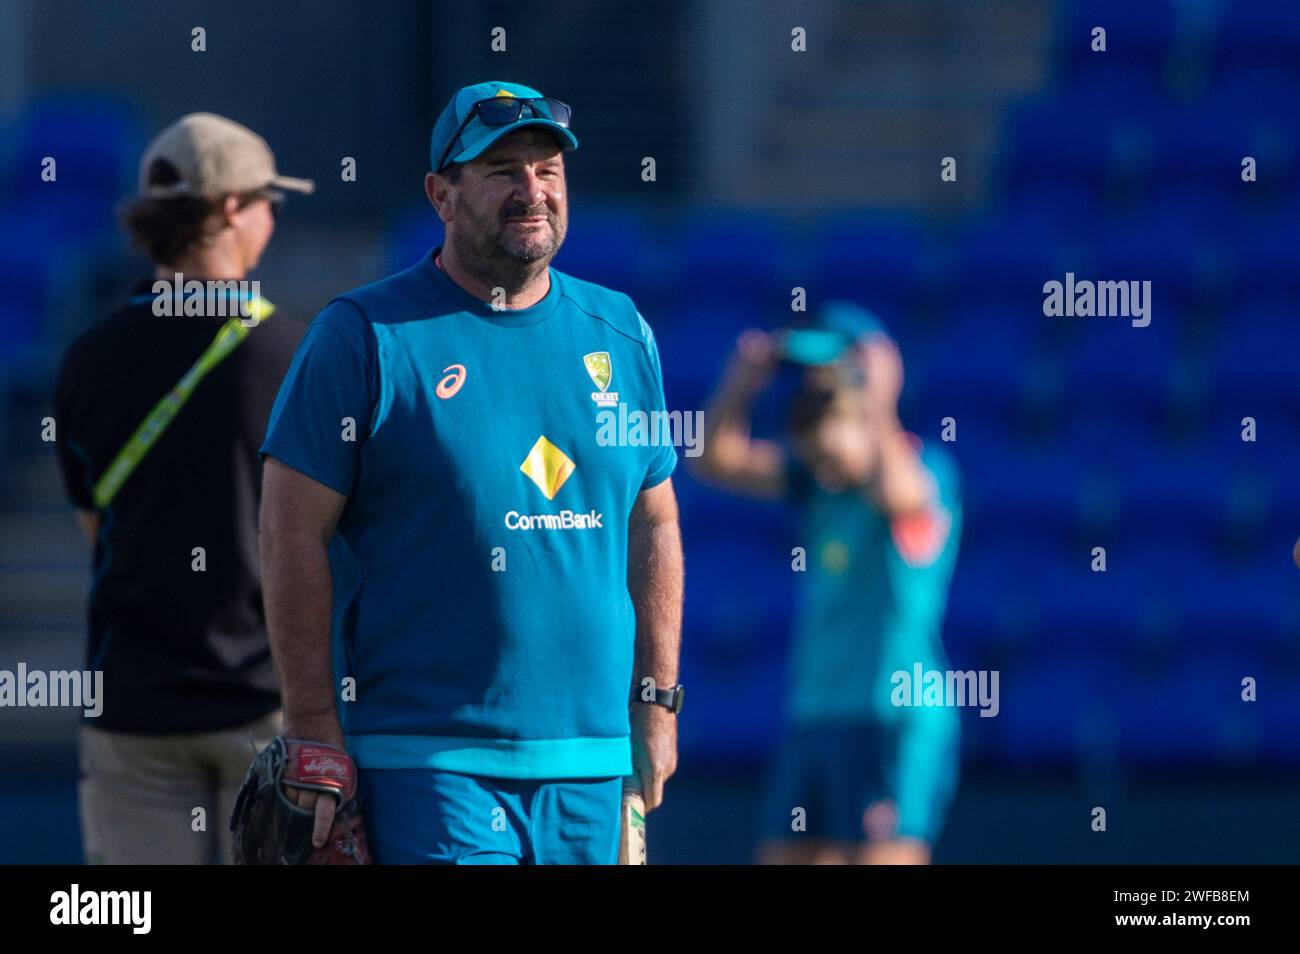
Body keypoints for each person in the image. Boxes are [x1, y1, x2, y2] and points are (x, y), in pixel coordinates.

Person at [257, 81, 684, 864]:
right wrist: (314, 723)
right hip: (428, 761)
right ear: (440, 195)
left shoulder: (621, 331)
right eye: (501, 170)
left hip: (592, 765)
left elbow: (652, 521)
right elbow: (289, 533)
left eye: (548, 170)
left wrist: (656, 703)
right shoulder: (362, 336)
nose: (532, 191)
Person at [53, 112, 314, 863]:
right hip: (269, 706)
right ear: (232, 207)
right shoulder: (296, 354)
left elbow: (96, 529)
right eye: (270, 200)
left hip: (130, 707)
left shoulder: (86, 357)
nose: (273, 216)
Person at [691, 302, 961, 864]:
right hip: (816, 715)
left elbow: (899, 496)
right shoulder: (818, 482)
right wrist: (741, 384)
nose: (814, 395)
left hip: (892, 717)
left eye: (832, 382)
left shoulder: (925, 469)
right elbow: (713, 460)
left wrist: (881, 399)